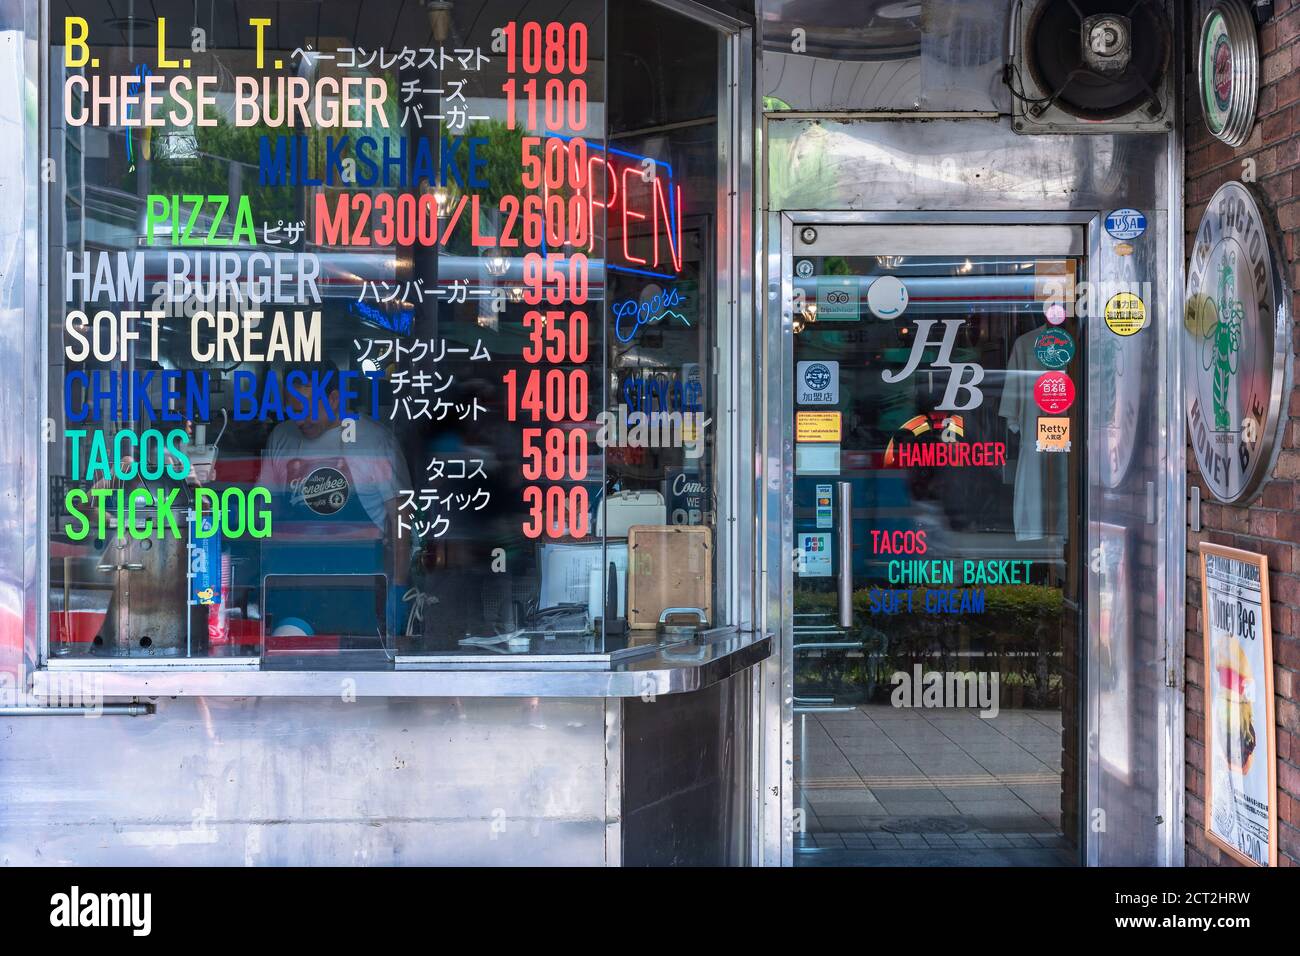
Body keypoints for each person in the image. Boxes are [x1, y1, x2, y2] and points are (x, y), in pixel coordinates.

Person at [256, 358, 412, 644]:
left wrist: (398, 588)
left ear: (334, 398)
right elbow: (266, 511)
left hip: (357, 592)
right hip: (293, 587)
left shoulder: (374, 441)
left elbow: (400, 518)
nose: (300, 419)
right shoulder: (282, 437)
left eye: (307, 408)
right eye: (293, 408)